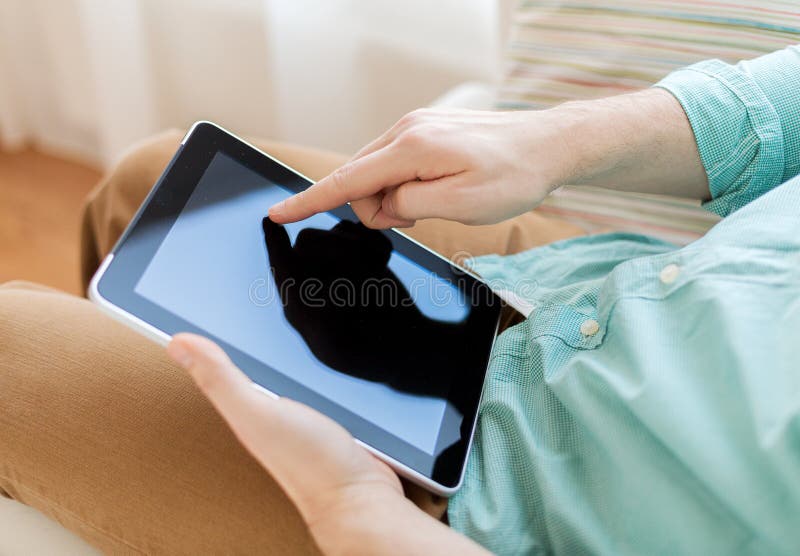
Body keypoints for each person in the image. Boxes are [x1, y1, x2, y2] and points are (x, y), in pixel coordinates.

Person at [2, 44, 800, 554]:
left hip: (506, 515)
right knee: (161, 183)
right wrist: (556, 143)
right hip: (602, 286)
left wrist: (355, 513)